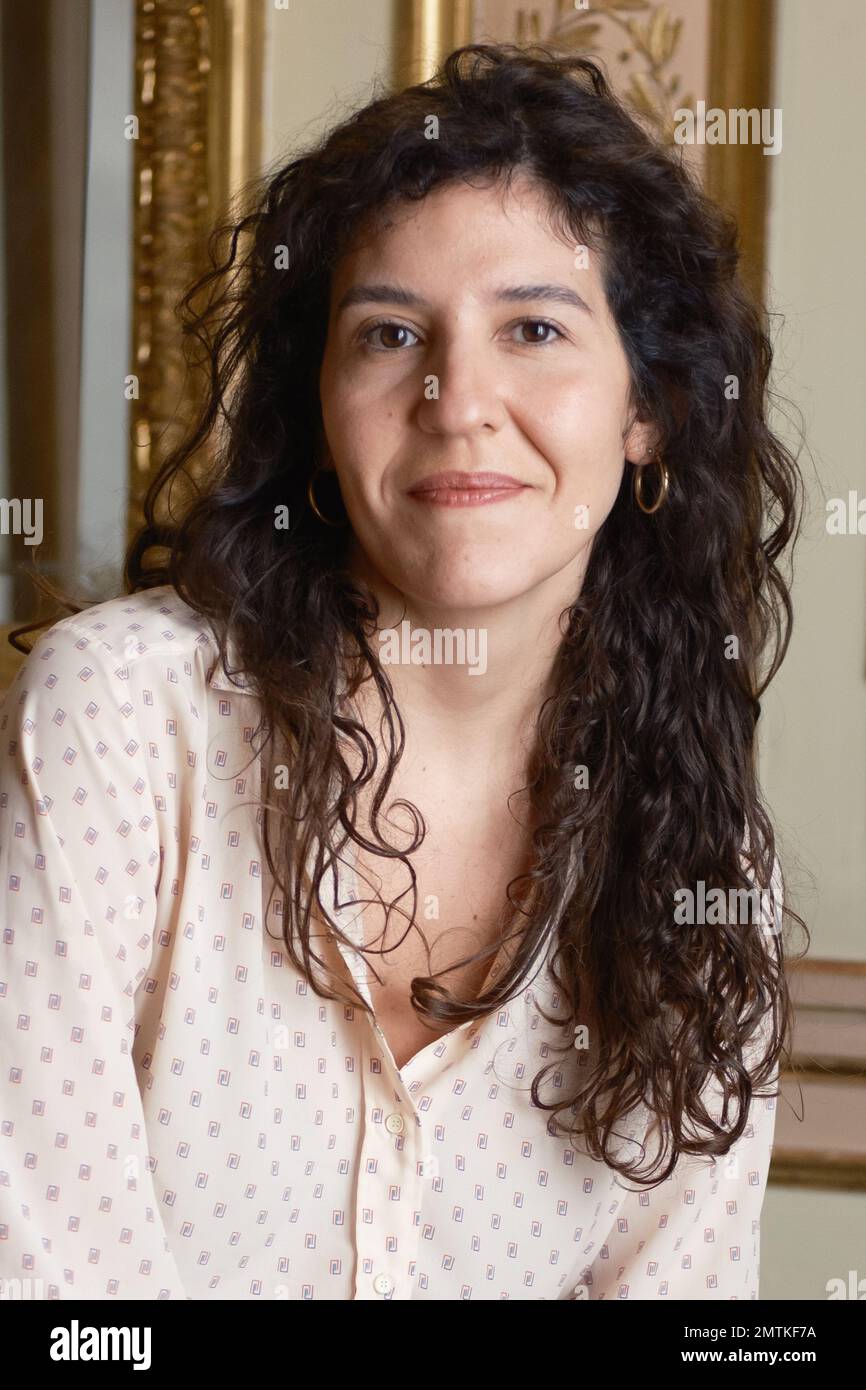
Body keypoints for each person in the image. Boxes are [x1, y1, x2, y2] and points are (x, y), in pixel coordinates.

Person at [0, 43, 803, 1301]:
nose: (456, 398)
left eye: (533, 327)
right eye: (389, 333)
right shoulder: (123, 721)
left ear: (646, 413)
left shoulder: (706, 873)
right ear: (320, 406)